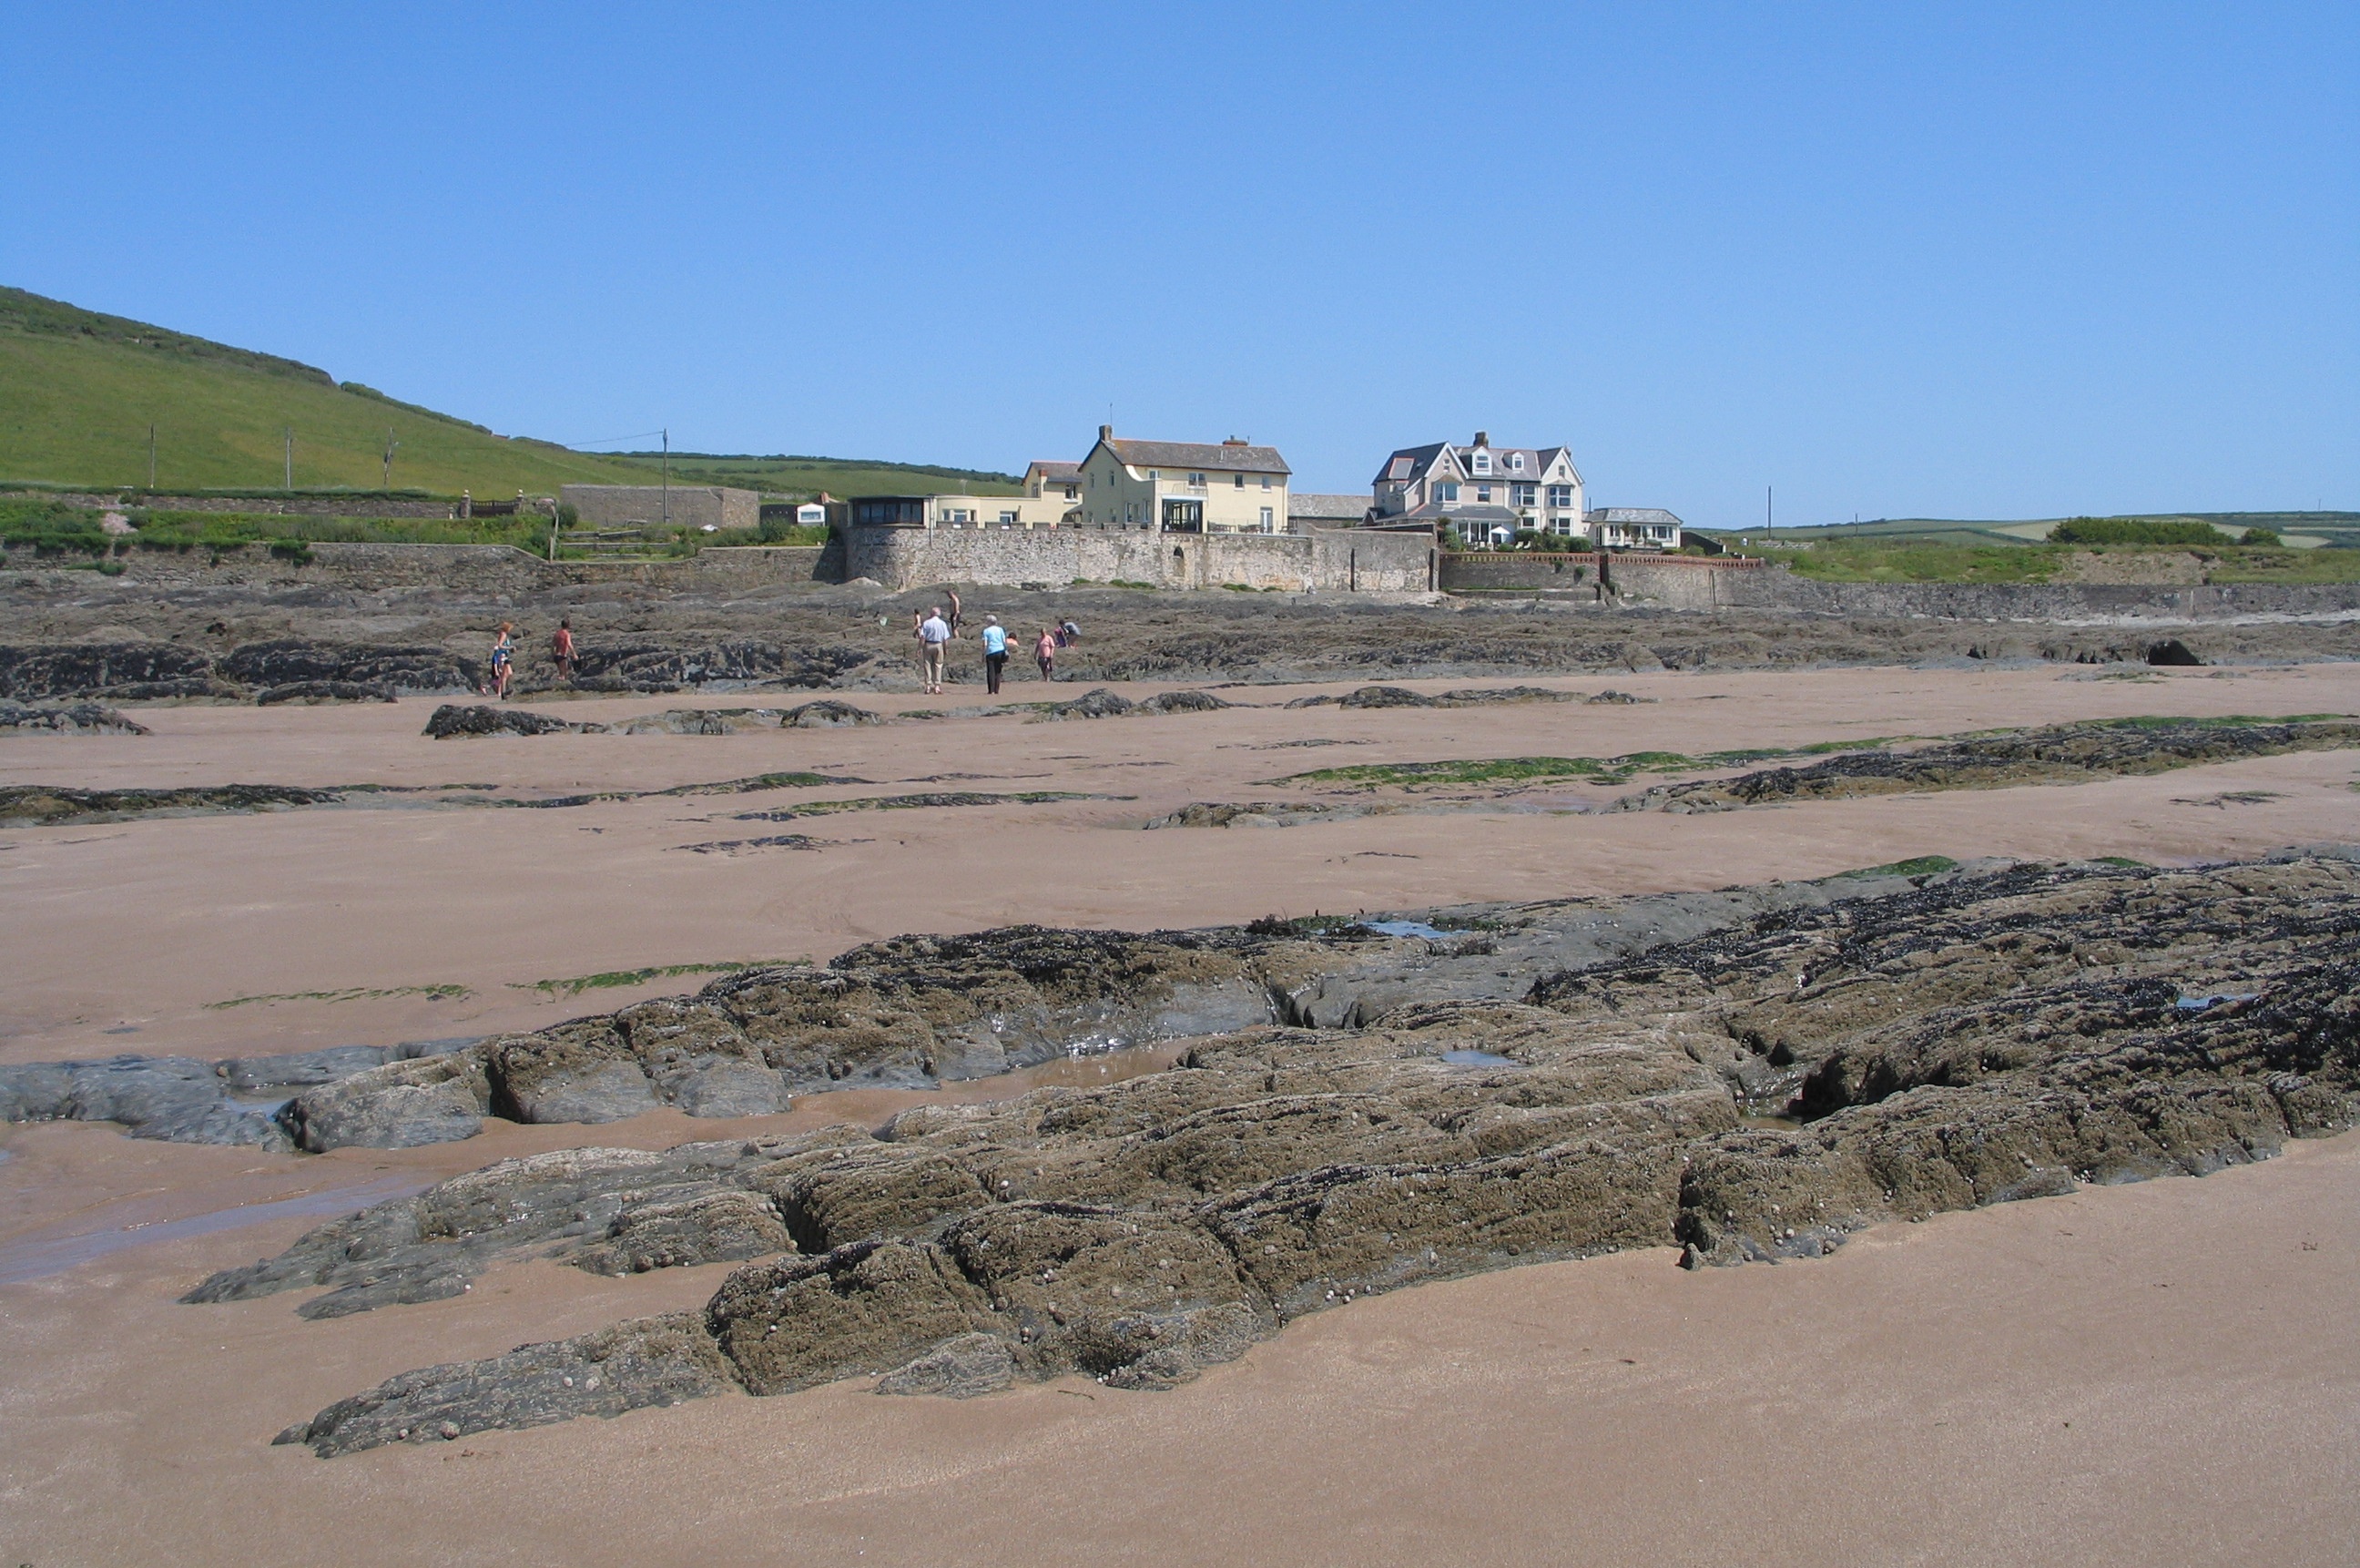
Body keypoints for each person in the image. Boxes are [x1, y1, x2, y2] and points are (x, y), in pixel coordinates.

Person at [917, 605, 951, 695]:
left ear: (932, 613)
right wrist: (946, 648)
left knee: (927, 664)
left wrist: (920, 648)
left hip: (928, 644)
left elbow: (922, 637)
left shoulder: (927, 623)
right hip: (938, 644)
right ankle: (937, 686)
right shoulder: (942, 623)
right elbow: (945, 638)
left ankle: (928, 686)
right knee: (938, 665)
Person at [979, 615, 1009, 694]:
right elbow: (1004, 641)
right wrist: (1006, 650)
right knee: (998, 670)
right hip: (1000, 650)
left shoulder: (986, 631)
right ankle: (996, 690)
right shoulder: (1000, 629)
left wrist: (983, 654)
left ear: (989, 622)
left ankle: (991, 690)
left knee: (991, 671)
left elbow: (985, 644)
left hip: (991, 651)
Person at [489, 622, 514, 699]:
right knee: (504, 674)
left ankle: (505, 689)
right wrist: (509, 648)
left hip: (505, 655)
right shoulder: (503, 634)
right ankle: (504, 692)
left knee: (509, 673)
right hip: (502, 656)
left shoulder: (504, 634)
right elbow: (500, 645)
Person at [550, 618, 576, 682]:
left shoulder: (557, 634)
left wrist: (553, 655)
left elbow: (552, 646)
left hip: (556, 656)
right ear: (568, 625)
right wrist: (574, 654)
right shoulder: (566, 634)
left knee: (561, 672)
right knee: (564, 674)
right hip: (562, 656)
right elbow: (569, 644)